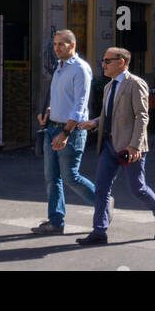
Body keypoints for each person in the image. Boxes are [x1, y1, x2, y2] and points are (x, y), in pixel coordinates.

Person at [75, 47, 155, 245]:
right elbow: (108, 116)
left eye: (107, 61)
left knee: (137, 188)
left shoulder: (135, 84)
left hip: (129, 147)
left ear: (121, 62)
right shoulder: (109, 87)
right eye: (103, 61)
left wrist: (135, 146)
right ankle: (99, 231)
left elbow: (142, 116)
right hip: (109, 144)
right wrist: (94, 123)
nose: (103, 64)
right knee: (102, 188)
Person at [30, 30, 96, 236]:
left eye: (61, 44)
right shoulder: (58, 68)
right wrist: (48, 112)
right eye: (55, 44)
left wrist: (66, 132)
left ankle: (103, 201)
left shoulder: (80, 69)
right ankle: (55, 221)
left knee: (70, 177)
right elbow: (60, 98)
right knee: (52, 177)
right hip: (52, 127)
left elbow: (79, 106)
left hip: (71, 130)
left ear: (72, 45)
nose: (56, 47)